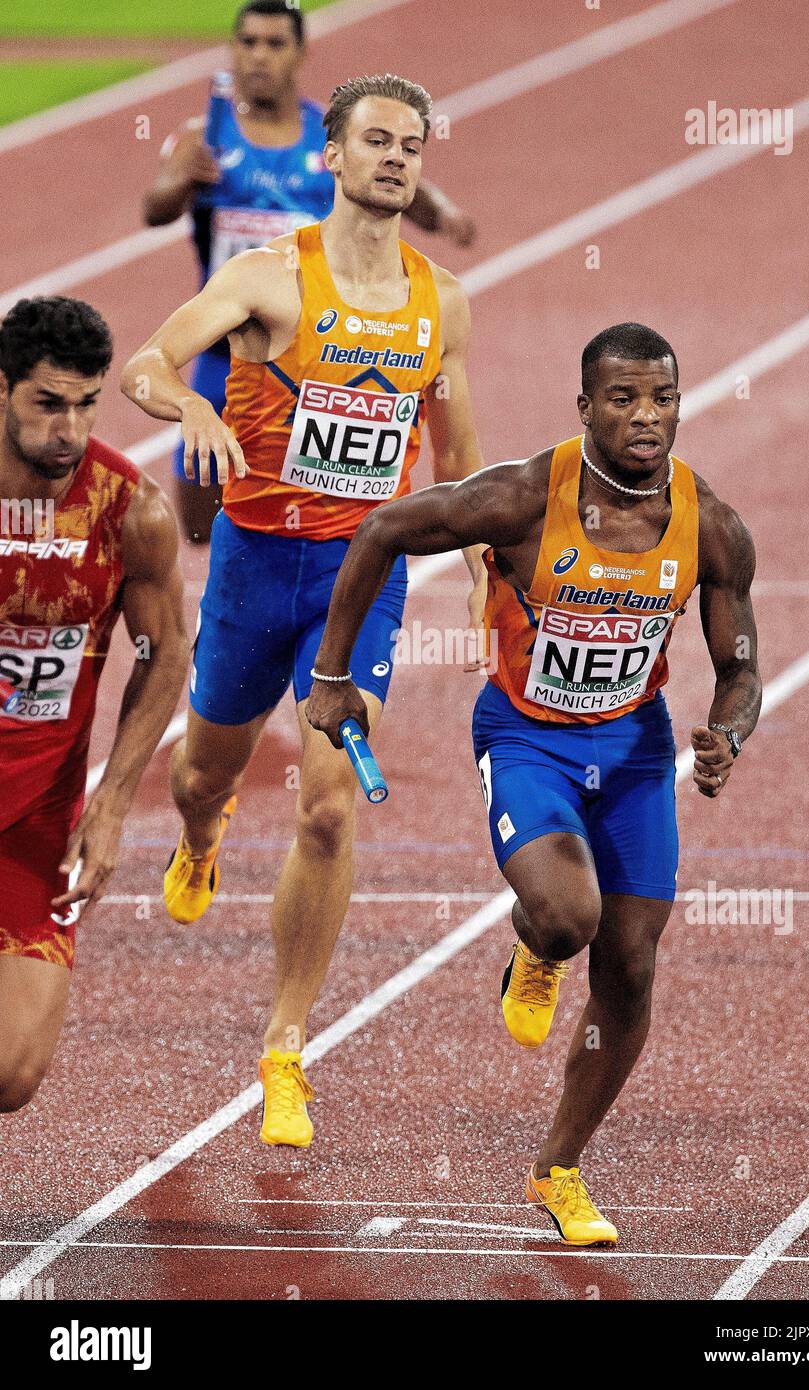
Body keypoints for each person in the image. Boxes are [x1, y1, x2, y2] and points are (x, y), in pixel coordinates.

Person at [305, 322, 762, 1246]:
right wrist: (329, 676)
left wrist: (726, 734)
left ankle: (557, 1170)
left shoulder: (708, 523)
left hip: (634, 752)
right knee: (565, 916)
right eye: (623, 399)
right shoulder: (522, 498)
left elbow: (741, 667)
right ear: (584, 406)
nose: (645, 417)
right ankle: (535, 946)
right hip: (527, 739)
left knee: (631, 964)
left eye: (662, 399)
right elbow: (384, 527)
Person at [122, 73, 487, 1150]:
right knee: (203, 773)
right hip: (251, 568)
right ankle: (200, 835)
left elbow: (457, 451)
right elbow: (146, 360)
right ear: (331, 156)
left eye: (411, 145)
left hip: (360, 579)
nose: (394, 158)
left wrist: (477, 559)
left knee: (331, 802)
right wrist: (190, 399)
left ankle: (285, 1048)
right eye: (375, 140)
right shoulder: (268, 278)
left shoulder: (442, 303)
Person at [144, 0, 477, 544]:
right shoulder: (203, 136)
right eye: (247, 42)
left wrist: (443, 214)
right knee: (200, 489)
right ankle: (222, 581)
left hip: (304, 339)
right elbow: (153, 210)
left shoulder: (328, 140)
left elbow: (392, 176)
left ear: (299, 53)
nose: (258, 57)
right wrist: (182, 182)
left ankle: (328, 560)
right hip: (222, 342)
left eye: (274, 44)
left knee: (307, 470)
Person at [0, 297, 189, 1113]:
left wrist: (111, 804)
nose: (68, 430)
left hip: (36, 816)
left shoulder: (130, 511)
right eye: (47, 403)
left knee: (11, 1074)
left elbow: (165, 652)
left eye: (85, 404)